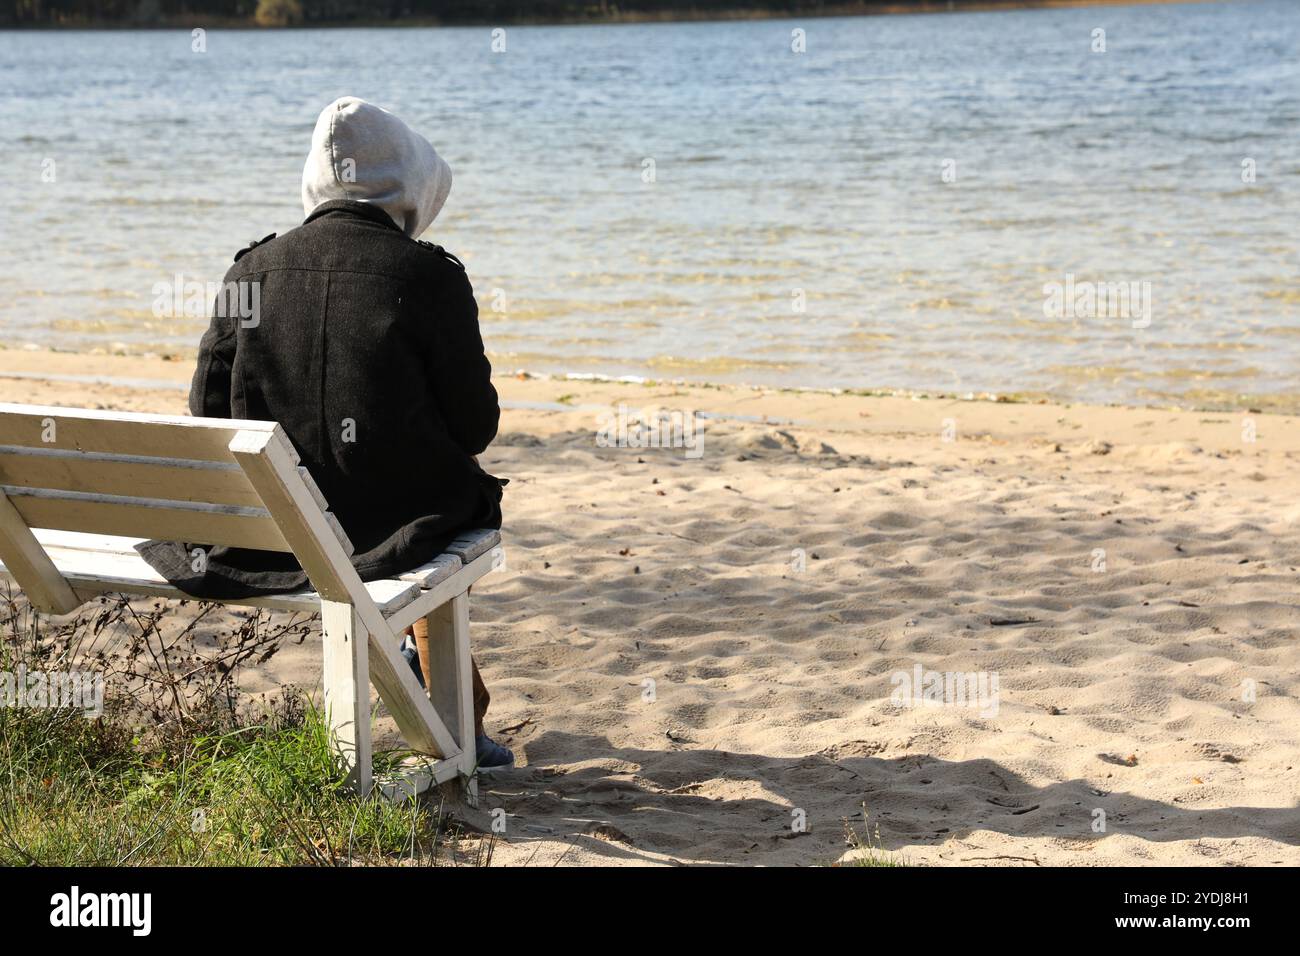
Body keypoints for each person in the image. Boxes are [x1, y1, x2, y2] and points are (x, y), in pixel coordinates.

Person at [138, 96, 513, 770]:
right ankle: (454, 713)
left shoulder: (248, 273)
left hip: (270, 536)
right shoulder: (430, 276)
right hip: (390, 532)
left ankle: (437, 690)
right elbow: (475, 428)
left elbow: (209, 412)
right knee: (440, 495)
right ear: (411, 185)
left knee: (403, 488)